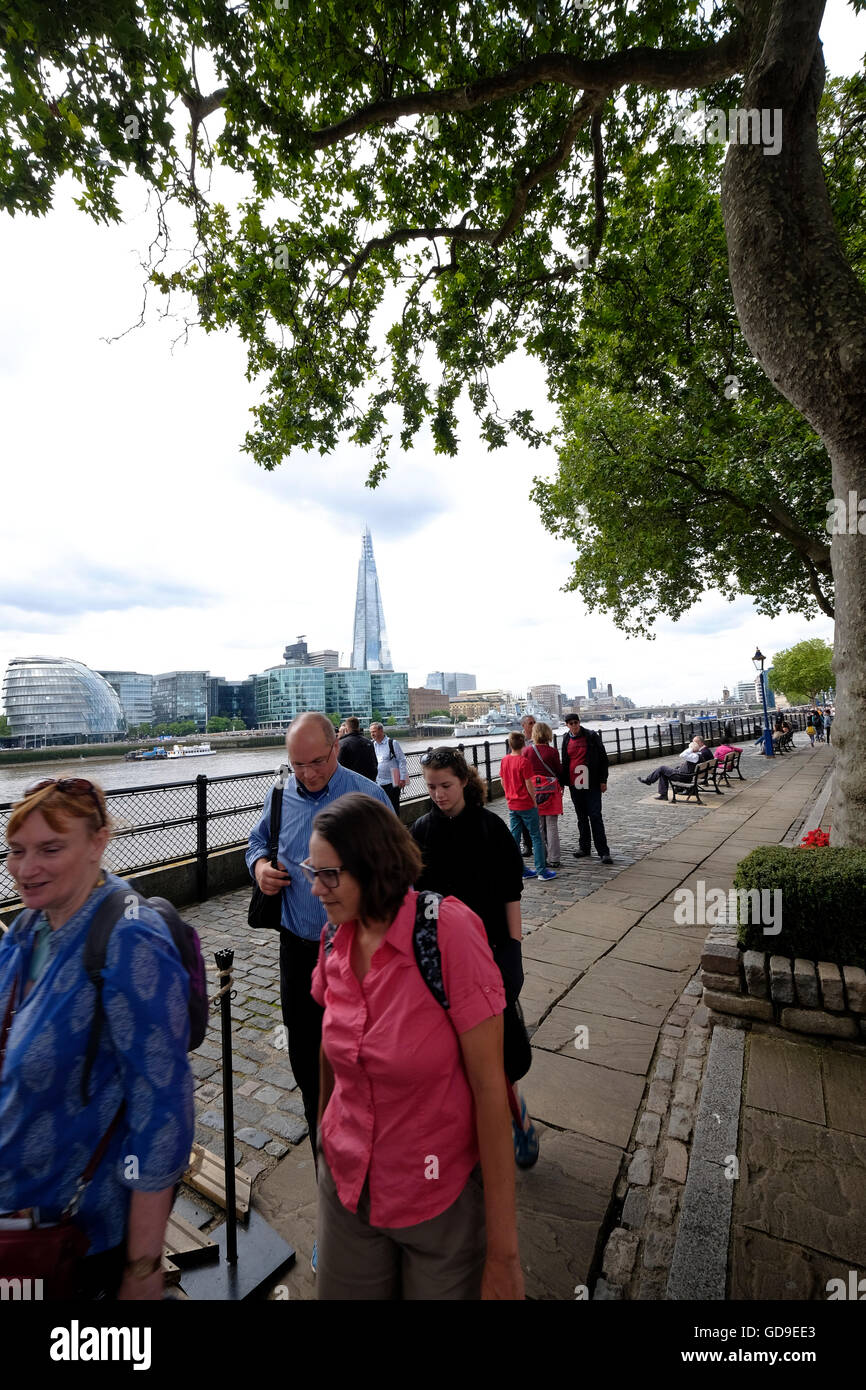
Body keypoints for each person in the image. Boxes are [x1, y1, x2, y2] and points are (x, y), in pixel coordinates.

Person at [308, 794, 524, 1300]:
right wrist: (324, 1142)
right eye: (311, 871)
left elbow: (491, 1093)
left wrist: (504, 1255)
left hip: (437, 1200)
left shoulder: (446, 933)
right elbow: (329, 1051)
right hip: (348, 1192)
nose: (315, 888)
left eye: (330, 875)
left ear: (375, 867)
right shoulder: (332, 939)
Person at [0, 777, 194, 1301]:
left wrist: (142, 1265)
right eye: (16, 851)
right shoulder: (25, 929)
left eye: (50, 849)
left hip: (74, 1239)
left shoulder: (129, 942)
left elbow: (164, 1113)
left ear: (98, 842)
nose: (25, 868)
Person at [246, 713, 393, 1169]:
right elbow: (255, 845)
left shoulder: (367, 798)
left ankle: (378, 1167)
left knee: (365, 1066)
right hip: (298, 951)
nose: (306, 773)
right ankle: (327, 1177)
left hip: (356, 955)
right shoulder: (280, 796)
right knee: (310, 1070)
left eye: (315, 762)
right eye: (296, 765)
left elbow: (397, 876)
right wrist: (261, 870)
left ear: (336, 748)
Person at [412, 747, 539, 1167]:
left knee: (496, 1054)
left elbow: (510, 893)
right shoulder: (421, 831)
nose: (438, 794)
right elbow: (413, 901)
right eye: (430, 787)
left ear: (464, 780)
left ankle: (516, 1117)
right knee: (448, 1056)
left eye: (445, 785)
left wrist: (515, 949)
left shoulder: (491, 828)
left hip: (489, 953)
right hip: (439, 961)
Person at [500, 733, 557, 881]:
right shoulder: (524, 762)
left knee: (515, 838)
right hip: (526, 804)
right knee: (536, 836)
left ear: (510, 744)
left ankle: (521, 869)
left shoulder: (505, 760)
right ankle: (541, 871)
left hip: (512, 804)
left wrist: (508, 794)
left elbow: (502, 781)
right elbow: (529, 784)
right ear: (523, 744)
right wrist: (534, 802)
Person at [559, 711, 613, 863]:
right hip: (575, 783)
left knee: (595, 816)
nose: (574, 725)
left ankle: (603, 851)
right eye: (571, 723)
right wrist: (563, 783)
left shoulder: (591, 736)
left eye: (576, 722)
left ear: (579, 722)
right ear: (567, 725)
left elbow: (603, 758)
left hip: (592, 782)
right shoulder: (565, 739)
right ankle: (584, 847)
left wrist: (603, 780)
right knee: (581, 817)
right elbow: (565, 761)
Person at [527, 721, 563, 868]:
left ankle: (541, 857)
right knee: (552, 825)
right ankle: (554, 858)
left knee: (539, 826)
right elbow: (559, 771)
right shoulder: (553, 752)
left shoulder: (527, 751)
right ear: (548, 734)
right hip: (551, 792)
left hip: (534, 792)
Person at [637, 737, 713, 801]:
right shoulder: (698, 755)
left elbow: (682, 755)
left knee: (662, 768)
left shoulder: (695, 757)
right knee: (663, 772)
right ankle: (663, 794)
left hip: (683, 776)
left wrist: (690, 749)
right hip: (687, 775)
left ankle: (649, 781)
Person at [369, 722, 409, 812]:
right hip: (378, 783)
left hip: (392, 783)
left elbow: (402, 760)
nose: (372, 734)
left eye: (374, 731)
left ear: (381, 731)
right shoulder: (371, 745)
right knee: (381, 809)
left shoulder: (392, 743)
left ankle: (396, 825)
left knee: (393, 807)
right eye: (371, 732)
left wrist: (402, 778)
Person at [517, 716, 536, 856]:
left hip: (537, 781)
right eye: (530, 723)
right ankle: (527, 846)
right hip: (522, 781)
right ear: (523, 725)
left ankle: (543, 843)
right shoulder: (518, 742)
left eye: (535, 722)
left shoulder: (539, 739)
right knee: (524, 816)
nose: (533, 725)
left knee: (539, 814)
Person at [336, 716, 377, 781]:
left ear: (346, 729)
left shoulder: (342, 743)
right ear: (358, 727)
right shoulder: (369, 742)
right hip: (368, 782)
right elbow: (375, 764)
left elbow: (339, 767)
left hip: (351, 782)